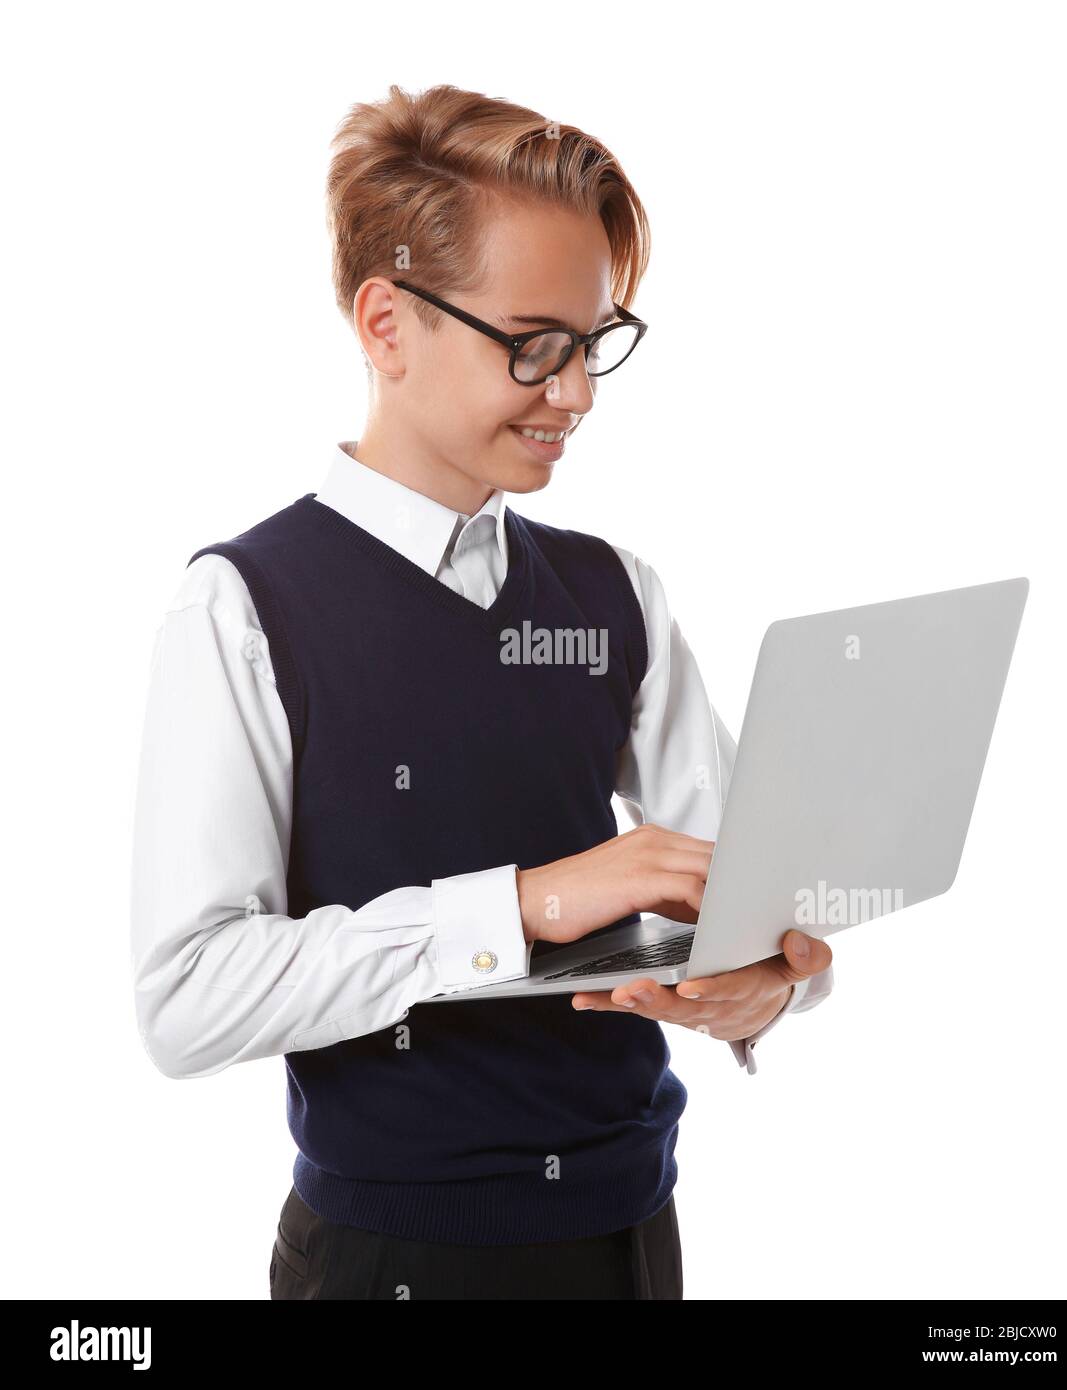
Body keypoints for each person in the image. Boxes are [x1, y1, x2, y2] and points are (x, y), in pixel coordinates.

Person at [129, 83, 834, 1301]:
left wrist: (766, 984)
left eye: (596, 342)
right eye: (534, 345)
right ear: (388, 323)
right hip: (396, 1263)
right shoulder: (244, 608)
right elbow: (185, 1000)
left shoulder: (617, 593)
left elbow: (760, 893)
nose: (578, 394)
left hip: (635, 1237)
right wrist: (528, 903)